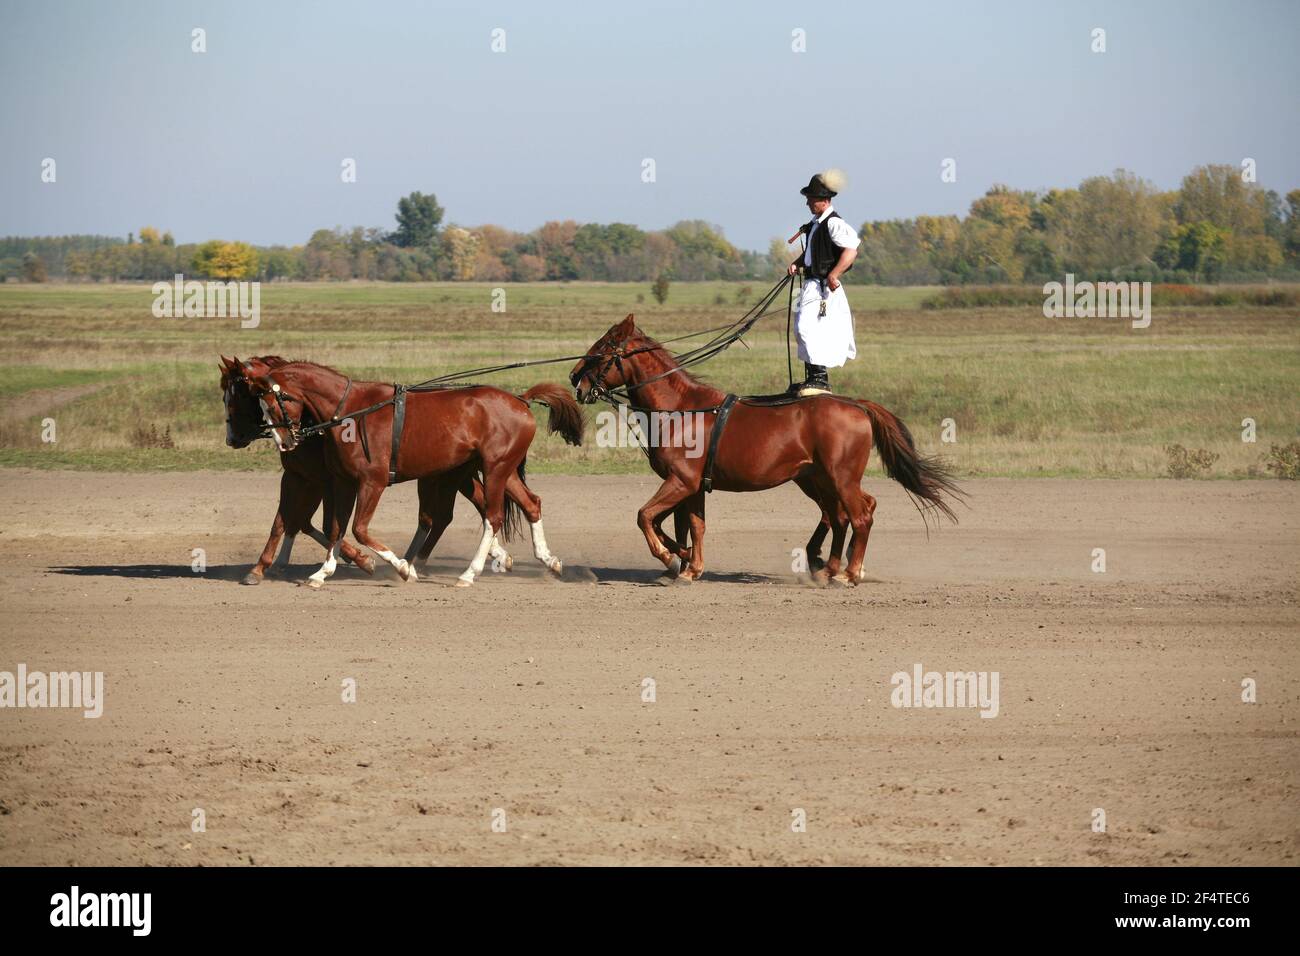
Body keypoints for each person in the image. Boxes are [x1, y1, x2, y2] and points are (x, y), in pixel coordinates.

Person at [786, 169, 860, 395]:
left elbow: (851, 250)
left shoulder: (834, 224)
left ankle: (819, 379)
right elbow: (811, 253)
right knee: (802, 330)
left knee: (806, 329)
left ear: (824, 200)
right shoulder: (816, 223)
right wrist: (797, 263)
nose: (807, 203)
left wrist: (834, 274)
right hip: (809, 285)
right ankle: (812, 378)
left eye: (811, 199)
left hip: (822, 288)